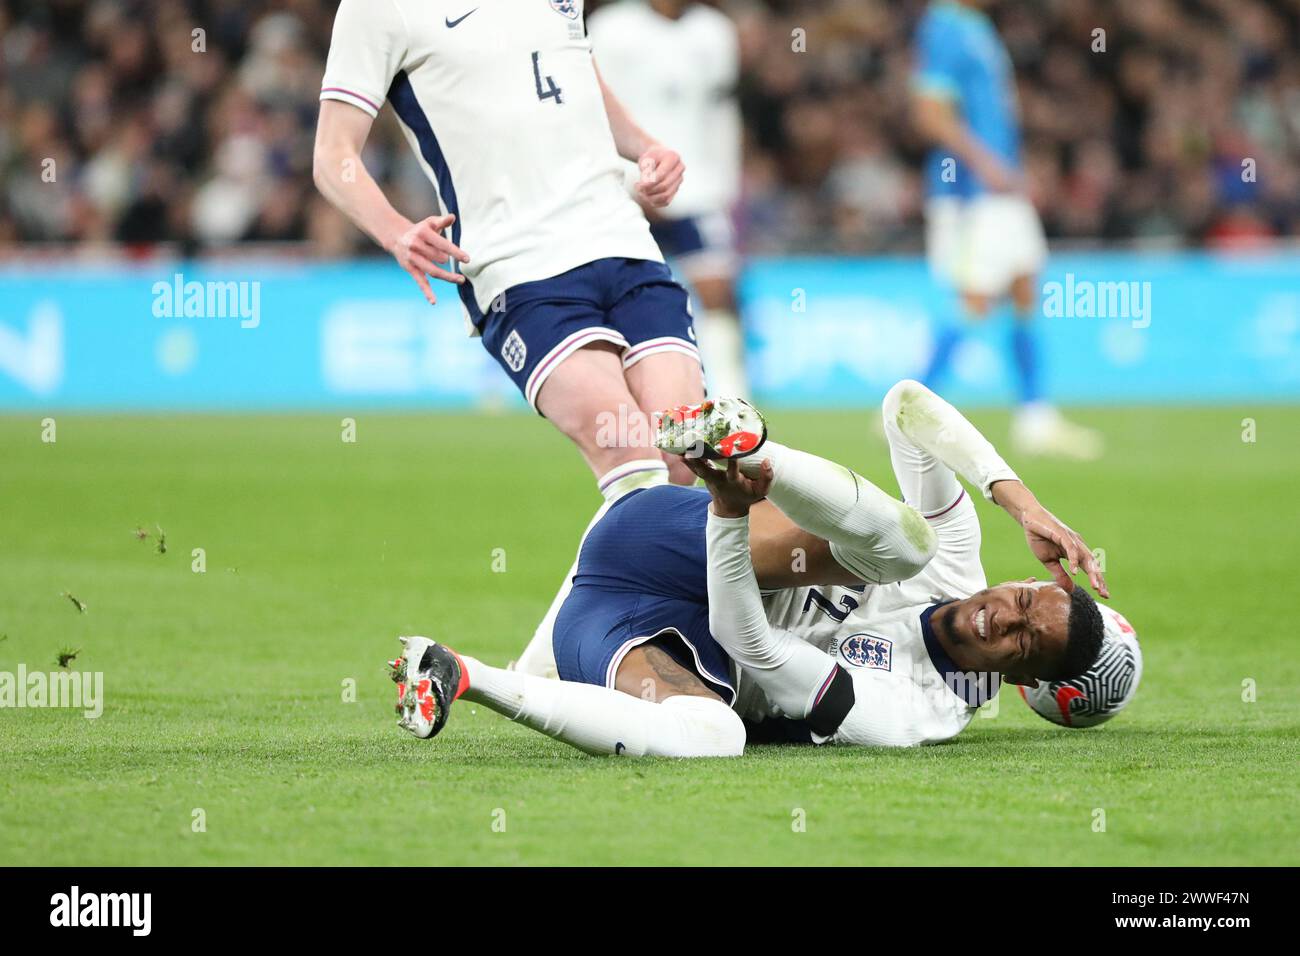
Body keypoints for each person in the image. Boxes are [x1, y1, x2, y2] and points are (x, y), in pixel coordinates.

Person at [389, 382, 1111, 756]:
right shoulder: (958, 562)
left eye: (1025, 641)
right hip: (662, 540)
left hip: (649, 634)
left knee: (714, 735)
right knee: (909, 546)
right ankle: (751, 448)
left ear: (1023, 685)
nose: (1004, 615)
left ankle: (461, 673)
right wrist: (1021, 504)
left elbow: (751, 645)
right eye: (1024, 598)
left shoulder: (910, 714)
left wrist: (728, 514)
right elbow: (904, 407)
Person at [313, 0, 704, 498]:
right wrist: (395, 231)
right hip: (519, 267)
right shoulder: (379, 9)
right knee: (630, 453)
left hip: (624, 242)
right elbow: (332, 155)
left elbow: (571, 68)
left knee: (684, 457)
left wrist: (646, 147)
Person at [911, 0, 1102, 459]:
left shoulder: (978, 27)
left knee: (1023, 285)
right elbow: (930, 114)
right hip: (973, 192)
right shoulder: (945, 25)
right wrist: (988, 164)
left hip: (999, 188)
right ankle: (911, 408)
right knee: (976, 297)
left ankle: (1035, 418)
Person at [588, 0, 748, 398]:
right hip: (626, 188)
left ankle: (730, 395)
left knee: (717, 290)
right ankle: (613, 391)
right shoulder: (610, 29)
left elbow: (722, 113)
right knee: (610, 294)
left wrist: (726, 185)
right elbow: (591, 110)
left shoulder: (715, 32)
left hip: (698, 189)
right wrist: (624, 179)